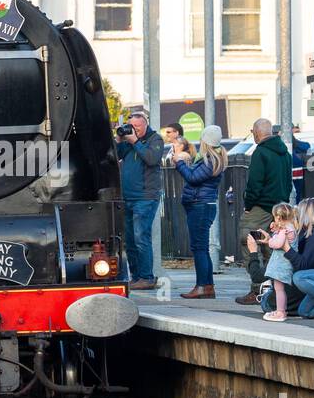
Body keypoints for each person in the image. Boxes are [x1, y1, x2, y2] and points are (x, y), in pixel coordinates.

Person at [234, 118, 293, 304]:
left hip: (261, 206)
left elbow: (254, 184)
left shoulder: (261, 152)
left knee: (248, 239)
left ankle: (257, 288)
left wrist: (249, 205)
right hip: (279, 206)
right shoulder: (285, 153)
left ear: (257, 133)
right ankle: (273, 288)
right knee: (272, 247)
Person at [172, 125, 227, 299]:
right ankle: (207, 286)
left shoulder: (210, 159)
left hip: (200, 206)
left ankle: (202, 286)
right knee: (201, 248)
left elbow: (193, 178)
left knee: (199, 248)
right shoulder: (211, 158)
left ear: (205, 140)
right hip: (201, 205)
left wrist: (179, 162)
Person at [116, 107, 163, 290]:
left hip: (145, 197)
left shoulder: (155, 139)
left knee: (141, 237)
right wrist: (119, 140)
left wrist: (135, 141)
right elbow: (115, 156)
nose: (133, 129)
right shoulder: (128, 142)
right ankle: (136, 277)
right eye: (131, 126)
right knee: (130, 239)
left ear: (145, 125)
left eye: (137, 126)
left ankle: (146, 277)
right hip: (128, 197)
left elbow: (151, 159)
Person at [254, 202, 299, 321]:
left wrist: (269, 241)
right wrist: (275, 231)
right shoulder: (290, 228)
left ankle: (281, 312)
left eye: (274, 217)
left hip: (282, 266)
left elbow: (277, 244)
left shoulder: (285, 231)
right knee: (279, 289)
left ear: (278, 217)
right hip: (282, 264)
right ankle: (281, 310)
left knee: (279, 289)